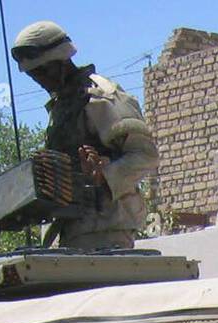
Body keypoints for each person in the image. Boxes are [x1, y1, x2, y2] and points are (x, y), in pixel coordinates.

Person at [10, 20, 158, 250]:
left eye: (42, 70)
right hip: (69, 231)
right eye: (32, 75)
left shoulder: (100, 97)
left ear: (61, 61)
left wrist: (105, 173)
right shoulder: (62, 107)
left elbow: (145, 155)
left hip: (106, 230)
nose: (39, 80)